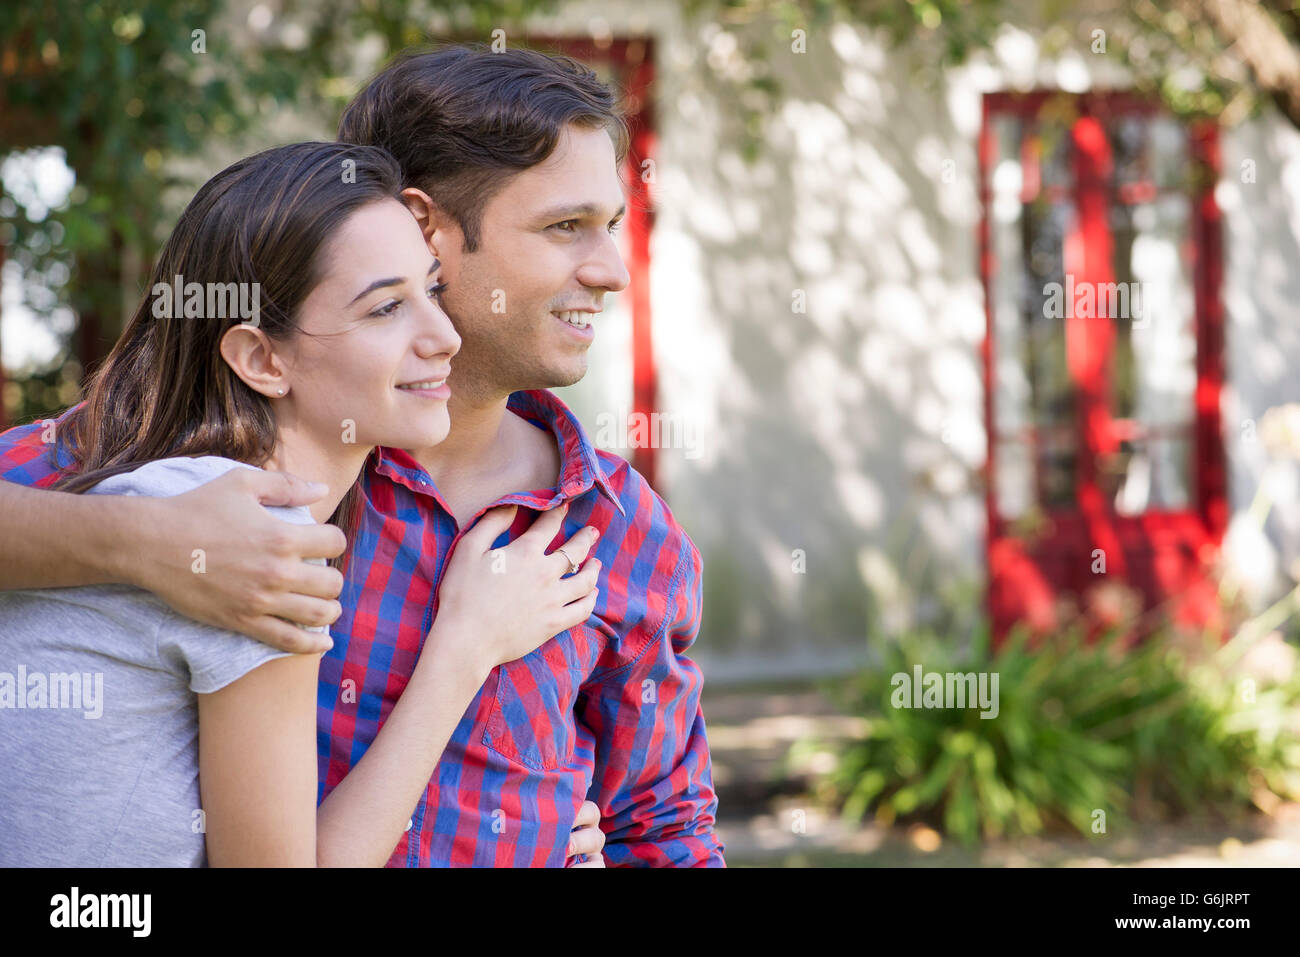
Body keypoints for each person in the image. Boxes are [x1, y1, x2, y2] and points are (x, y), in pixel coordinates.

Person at [0, 44, 724, 867]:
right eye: (566, 227)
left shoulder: (624, 530)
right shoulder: (239, 468)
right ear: (427, 231)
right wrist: (155, 544)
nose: (607, 271)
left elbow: (663, 831)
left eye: (611, 228)